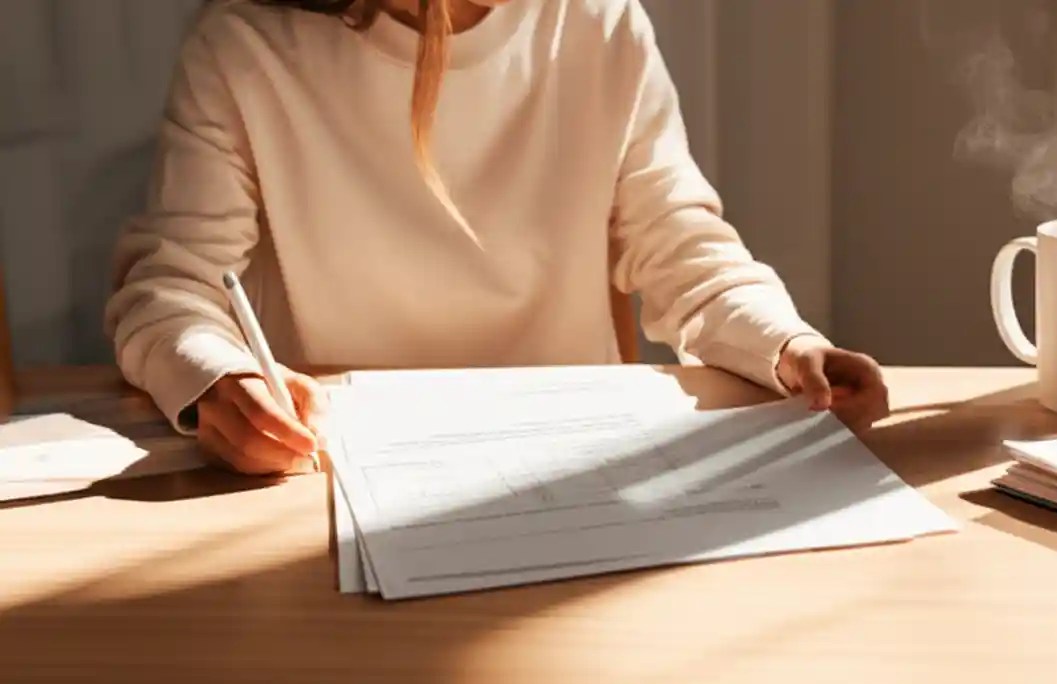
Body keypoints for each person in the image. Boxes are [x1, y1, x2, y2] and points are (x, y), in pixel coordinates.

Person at [106, 0, 890, 476]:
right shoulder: (245, 47)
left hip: (578, 468)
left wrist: (785, 345)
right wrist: (217, 384)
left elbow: (684, 247)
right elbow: (169, 290)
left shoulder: (598, 23)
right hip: (332, 477)